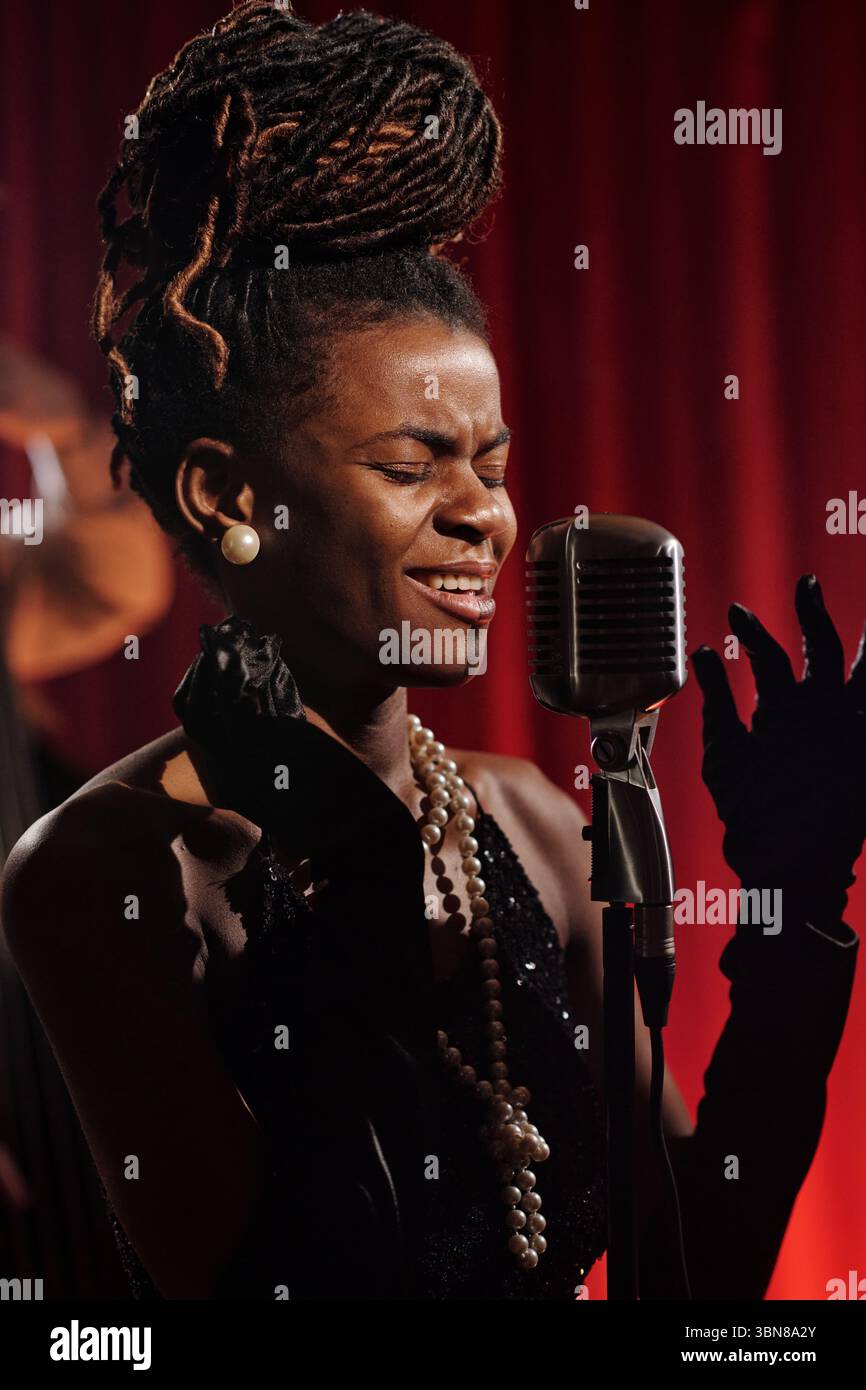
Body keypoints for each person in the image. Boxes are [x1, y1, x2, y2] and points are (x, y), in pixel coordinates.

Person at [1, 1, 864, 1301]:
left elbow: (698, 1269)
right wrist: (343, 856)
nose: (485, 513)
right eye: (413, 464)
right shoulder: (104, 869)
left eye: (495, 466)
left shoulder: (527, 821)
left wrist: (795, 911)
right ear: (229, 498)